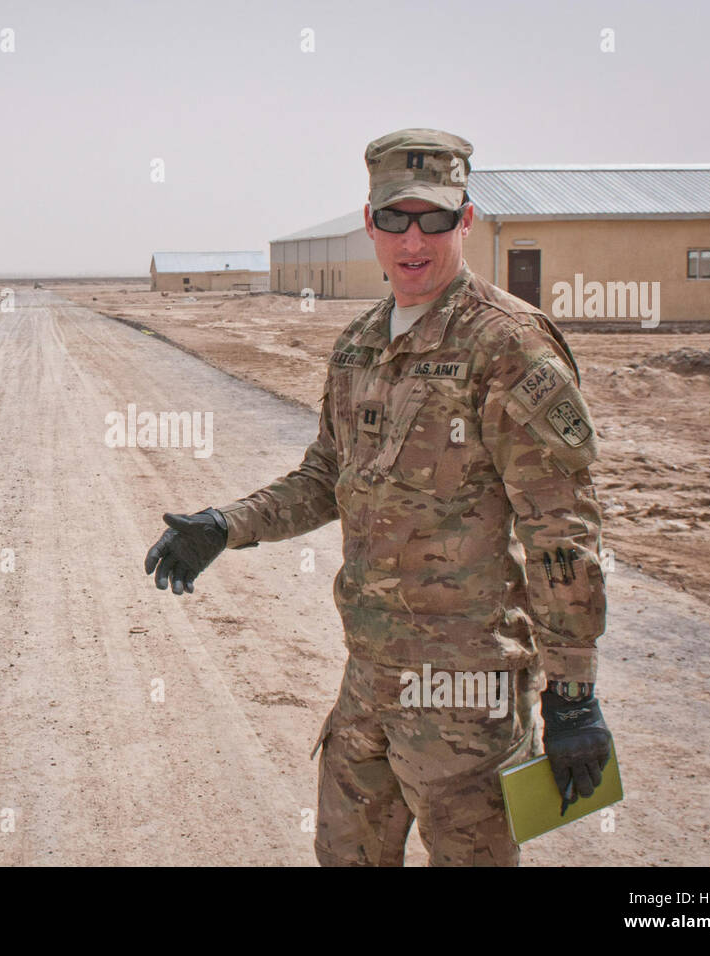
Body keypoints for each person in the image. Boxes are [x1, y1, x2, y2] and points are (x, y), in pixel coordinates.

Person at [144, 129, 612, 866]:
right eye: (395, 219)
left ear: (466, 220)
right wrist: (223, 526)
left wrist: (574, 693)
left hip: (468, 702)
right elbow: (325, 476)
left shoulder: (508, 346)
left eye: (434, 217)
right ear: (370, 223)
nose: (413, 239)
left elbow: (562, 525)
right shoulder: (360, 345)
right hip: (367, 687)